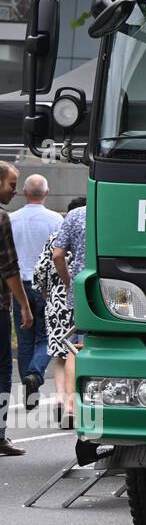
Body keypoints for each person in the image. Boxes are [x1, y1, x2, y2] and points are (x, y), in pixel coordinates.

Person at [10, 174, 63, 410]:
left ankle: (30, 392)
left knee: (25, 340)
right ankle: (35, 374)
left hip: (17, 286)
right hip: (46, 287)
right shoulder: (55, 220)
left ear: (24, 192)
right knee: (47, 336)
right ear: (47, 192)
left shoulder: (11, 219)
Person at [35, 198, 82, 430]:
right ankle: (79, 402)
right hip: (85, 298)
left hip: (56, 303)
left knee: (61, 355)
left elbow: (40, 272)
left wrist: (48, 294)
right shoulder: (91, 232)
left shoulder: (55, 239)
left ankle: (63, 401)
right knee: (81, 350)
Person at [0, 161, 34, 456]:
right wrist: (23, 305)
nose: (14, 191)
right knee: (1, 370)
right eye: (11, 185)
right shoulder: (1, 218)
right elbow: (9, 268)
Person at [52, 197, 87, 431]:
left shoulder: (75, 216)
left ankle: (71, 407)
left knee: (76, 348)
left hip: (82, 289)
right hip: (121, 288)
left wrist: (68, 283)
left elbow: (57, 254)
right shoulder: (121, 209)